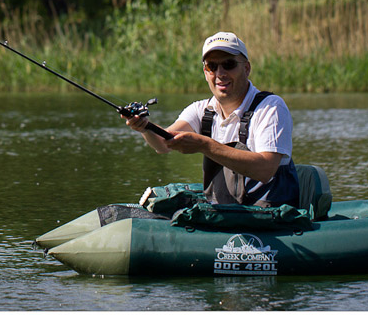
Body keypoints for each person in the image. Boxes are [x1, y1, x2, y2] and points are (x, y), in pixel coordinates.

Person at [123, 31, 299, 207]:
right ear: (205, 72)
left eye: (228, 64)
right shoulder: (201, 110)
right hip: (227, 215)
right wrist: (145, 127)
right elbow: (163, 142)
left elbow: (265, 169)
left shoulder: (271, 107)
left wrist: (204, 145)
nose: (220, 73)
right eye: (212, 66)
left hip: (271, 218)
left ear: (246, 68)